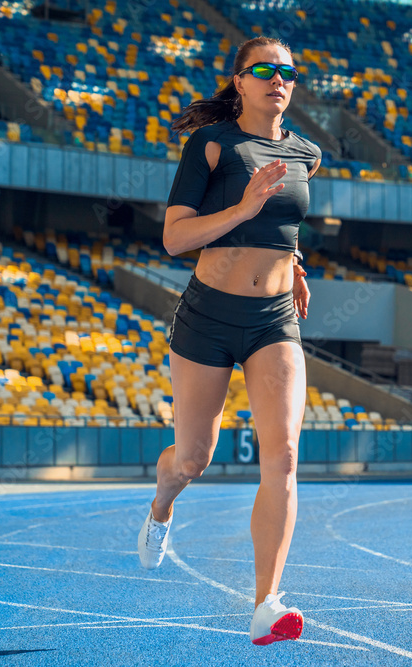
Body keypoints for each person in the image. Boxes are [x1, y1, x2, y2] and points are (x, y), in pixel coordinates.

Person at [136, 36, 320, 647]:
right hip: (208, 316)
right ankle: (162, 507)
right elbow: (174, 239)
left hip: (274, 320)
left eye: (287, 72)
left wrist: (294, 264)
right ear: (238, 81)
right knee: (192, 459)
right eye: (264, 70)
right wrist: (243, 208)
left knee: (285, 456)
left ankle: (268, 603)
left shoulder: (305, 153)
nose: (279, 79)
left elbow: (285, 225)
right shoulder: (211, 146)